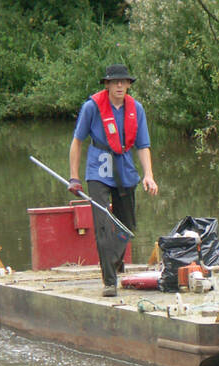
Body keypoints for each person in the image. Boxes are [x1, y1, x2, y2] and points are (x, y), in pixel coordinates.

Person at [68, 64, 158, 296]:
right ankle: (109, 281)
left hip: (125, 171)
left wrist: (149, 175)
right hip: (98, 172)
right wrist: (74, 177)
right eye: (114, 82)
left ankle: (115, 260)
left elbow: (143, 145)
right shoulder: (91, 108)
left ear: (129, 84)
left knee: (126, 226)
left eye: (123, 81)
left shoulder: (136, 109)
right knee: (102, 226)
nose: (119, 85)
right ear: (107, 84)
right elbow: (77, 142)